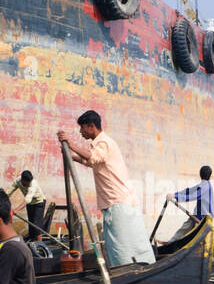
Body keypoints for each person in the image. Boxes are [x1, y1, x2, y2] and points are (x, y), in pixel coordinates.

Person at [59, 110, 156, 266]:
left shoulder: (103, 143)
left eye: (82, 128)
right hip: (121, 202)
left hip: (118, 202)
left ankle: (127, 273)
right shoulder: (102, 144)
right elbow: (91, 162)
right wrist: (71, 156)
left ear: (91, 126)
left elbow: (93, 157)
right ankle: (136, 268)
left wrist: (71, 145)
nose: (80, 132)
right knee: (127, 242)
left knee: (121, 246)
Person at [165, 165, 214, 242]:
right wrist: (175, 195)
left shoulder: (205, 186)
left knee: (196, 237)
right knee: (183, 229)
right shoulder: (202, 185)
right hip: (197, 216)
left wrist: (175, 196)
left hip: (204, 218)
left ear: (200, 174)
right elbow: (188, 191)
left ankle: (174, 244)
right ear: (210, 175)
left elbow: (194, 196)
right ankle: (169, 243)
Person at [8, 169, 48, 242]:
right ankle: (33, 244)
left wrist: (16, 210)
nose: (29, 184)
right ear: (23, 180)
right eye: (27, 182)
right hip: (30, 204)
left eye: (30, 182)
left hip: (39, 202)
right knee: (31, 224)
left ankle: (40, 245)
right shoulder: (18, 181)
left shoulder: (33, 184)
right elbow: (9, 191)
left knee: (36, 225)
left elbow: (27, 200)